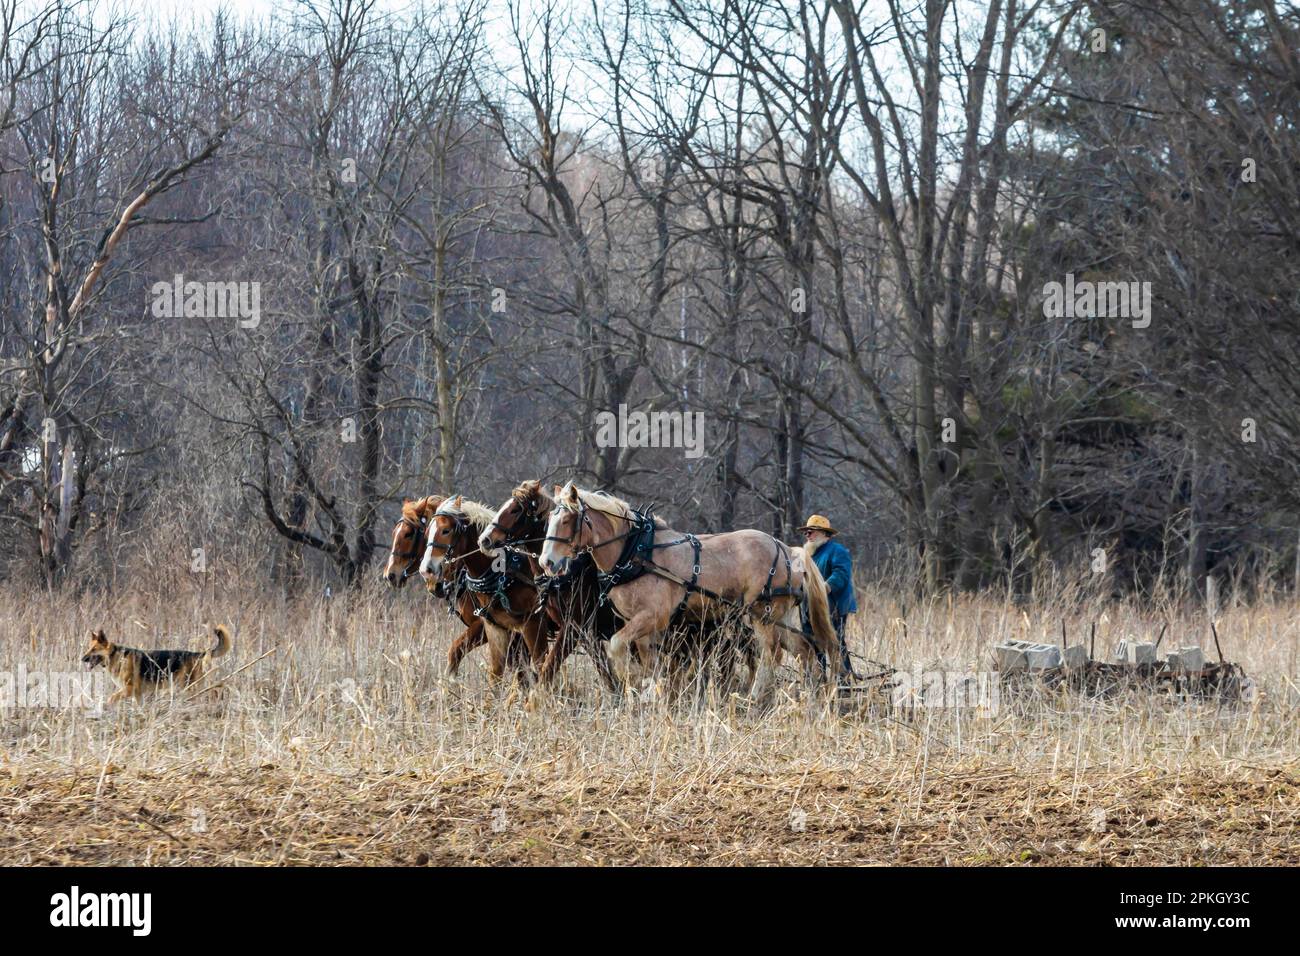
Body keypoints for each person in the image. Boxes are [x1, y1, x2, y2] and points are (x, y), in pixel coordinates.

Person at [798, 514, 859, 679]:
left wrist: (823, 588)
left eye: (812, 531)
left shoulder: (838, 551)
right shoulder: (803, 555)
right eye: (806, 532)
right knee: (811, 641)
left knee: (835, 641)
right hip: (808, 606)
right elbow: (796, 577)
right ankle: (817, 679)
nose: (808, 535)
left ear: (826, 534)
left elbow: (841, 574)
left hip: (834, 605)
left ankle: (844, 680)